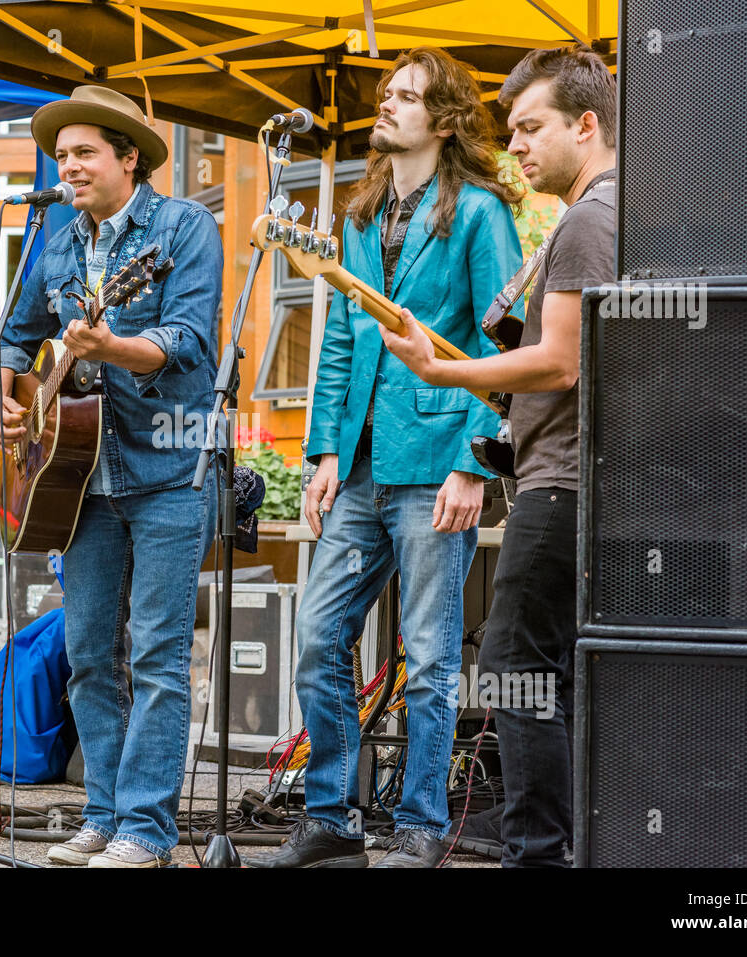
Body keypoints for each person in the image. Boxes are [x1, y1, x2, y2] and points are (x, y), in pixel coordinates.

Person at [246, 47, 523, 868]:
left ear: (443, 119)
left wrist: (477, 460)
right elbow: (340, 335)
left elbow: (501, 341)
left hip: (440, 457)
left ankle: (423, 823)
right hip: (361, 462)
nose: (387, 105)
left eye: (407, 96)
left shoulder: (479, 213)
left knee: (432, 656)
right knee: (319, 635)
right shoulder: (359, 217)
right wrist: (323, 447)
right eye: (387, 93)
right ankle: (332, 814)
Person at [379, 45, 617, 867]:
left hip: (561, 487)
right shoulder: (602, 215)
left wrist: (442, 368)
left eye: (530, 127)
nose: (514, 146)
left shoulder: (589, 220)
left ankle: (536, 855)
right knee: (552, 676)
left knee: (518, 672)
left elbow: (559, 361)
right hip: (570, 476)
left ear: (587, 126)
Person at [0, 86, 222, 867]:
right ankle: (104, 811)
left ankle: (147, 828)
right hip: (77, 479)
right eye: (62, 155)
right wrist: (7, 404)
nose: (70, 166)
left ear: (130, 158)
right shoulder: (53, 236)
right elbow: (14, 340)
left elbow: (186, 341)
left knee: (156, 652)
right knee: (89, 651)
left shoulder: (185, 228)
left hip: (166, 470)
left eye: (85, 152)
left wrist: (108, 345)